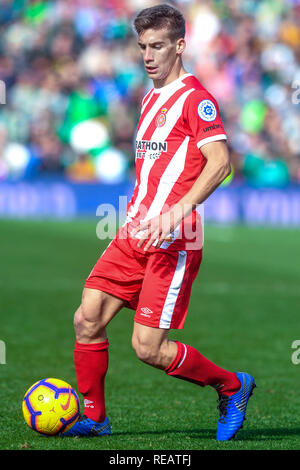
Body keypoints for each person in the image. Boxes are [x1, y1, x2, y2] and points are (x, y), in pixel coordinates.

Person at [61, 4, 256, 441]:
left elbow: (220, 162)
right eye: (143, 47)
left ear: (180, 46)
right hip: (133, 233)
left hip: (174, 240)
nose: (148, 55)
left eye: (158, 46)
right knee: (86, 318)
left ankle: (232, 385)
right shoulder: (150, 96)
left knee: (148, 349)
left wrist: (175, 212)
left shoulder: (196, 99)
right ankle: (95, 418)